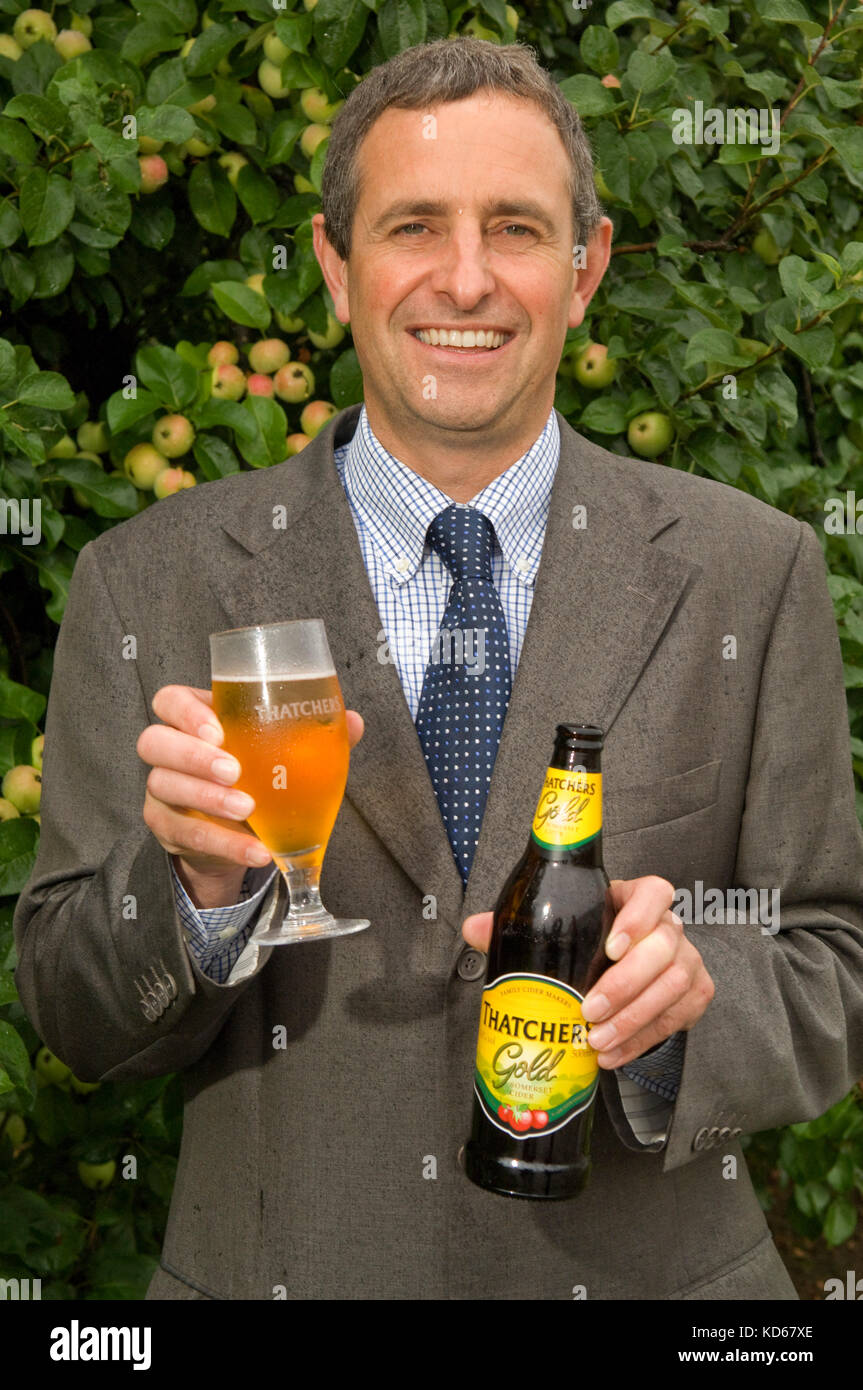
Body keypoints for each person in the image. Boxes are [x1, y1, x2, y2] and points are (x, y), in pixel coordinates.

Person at [13, 37, 863, 1301]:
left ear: (585, 272)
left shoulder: (752, 569)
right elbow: (68, 1010)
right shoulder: (151, 582)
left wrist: (692, 994)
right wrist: (191, 889)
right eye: (414, 225)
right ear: (331, 266)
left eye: (515, 229)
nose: (465, 280)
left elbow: (830, 960)